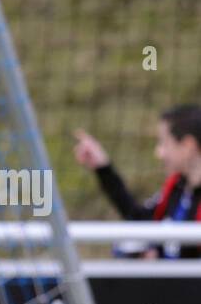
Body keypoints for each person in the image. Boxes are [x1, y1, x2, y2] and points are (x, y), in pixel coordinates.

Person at [73, 105, 201, 259]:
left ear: (188, 146)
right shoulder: (177, 188)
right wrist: (103, 168)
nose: (159, 153)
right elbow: (139, 219)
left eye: (164, 143)